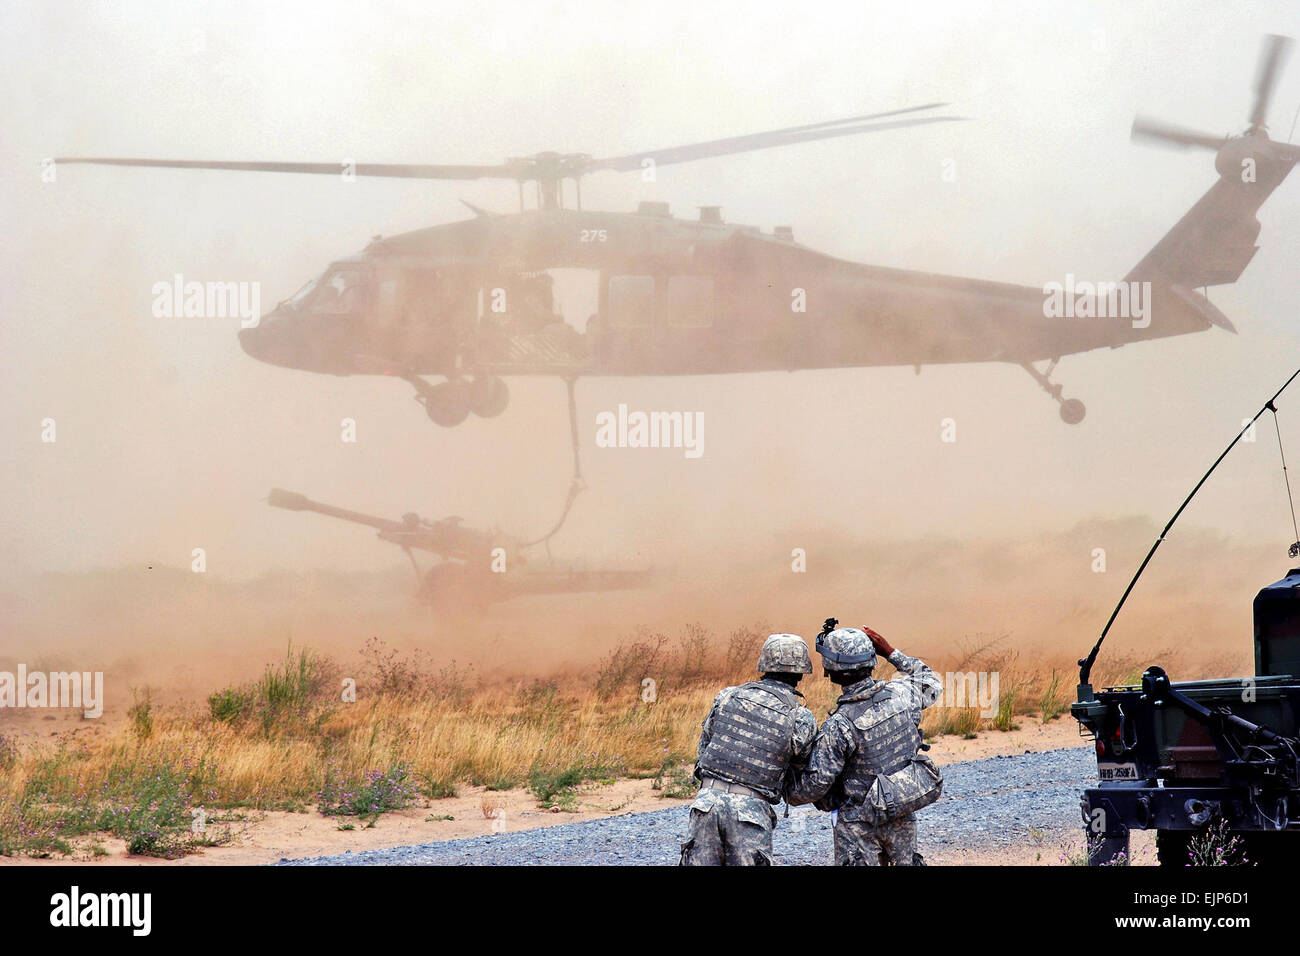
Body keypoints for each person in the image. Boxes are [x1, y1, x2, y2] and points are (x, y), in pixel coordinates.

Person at [786, 621, 943, 866]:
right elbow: (931, 681)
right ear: (872, 660)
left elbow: (812, 787)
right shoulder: (904, 695)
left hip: (858, 827)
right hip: (900, 811)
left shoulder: (839, 726)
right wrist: (890, 651)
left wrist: (783, 779)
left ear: (832, 671)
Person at [679, 634, 818, 866]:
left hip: (706, 804)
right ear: (801, 673)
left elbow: (704, 748)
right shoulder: (800, 716)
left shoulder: (727, 696)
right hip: (750, 812)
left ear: (764, 664)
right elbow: (801, 768)